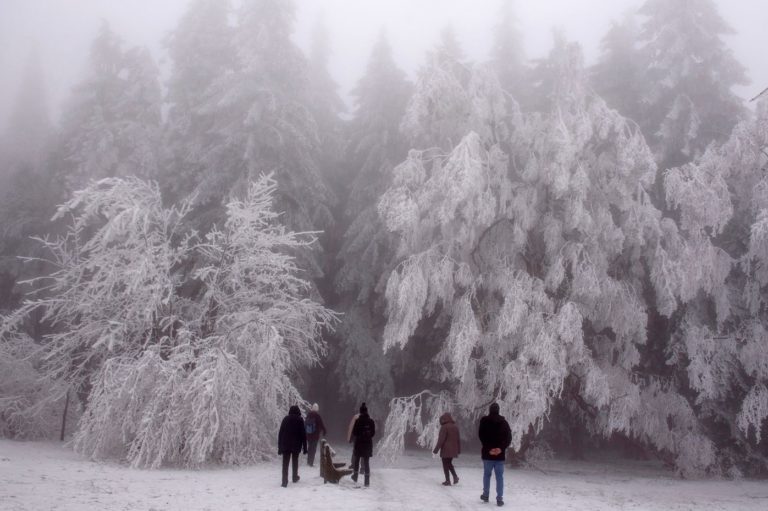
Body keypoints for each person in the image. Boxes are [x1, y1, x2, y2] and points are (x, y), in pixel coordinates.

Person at [478, 402, 512, 506]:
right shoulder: (504, 423)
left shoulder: (484, 421)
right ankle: (499, 498)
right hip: (499, 456)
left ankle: (486, 494)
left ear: (490, 410)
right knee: (499, 477)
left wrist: (489, 449)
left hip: (487, 455)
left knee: (487, 475)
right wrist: (500, 449)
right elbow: (508, 438)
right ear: (498, 410)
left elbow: (481, 436)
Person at [278, 405, 307, 488]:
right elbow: (303, 435)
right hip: (296, 445)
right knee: (295, 461)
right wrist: (305, 448)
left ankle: (284, 481)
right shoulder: (300, 420)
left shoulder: (285, 419)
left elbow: (280, 434)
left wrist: (279, 447)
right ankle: (294, 477)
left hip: (285, 445)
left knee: (285, 464)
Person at [351, 402, 375, 486]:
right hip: (368, 445)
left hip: (359, 444)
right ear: (367, 411)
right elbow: (373, 433)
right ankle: (367, 481)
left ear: (360, 411)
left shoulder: (358, 421)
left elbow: (354, 432)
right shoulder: (371, 421)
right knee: (366, 463)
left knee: (357, 461)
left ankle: (355, 477)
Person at [432, 412, 461, 486]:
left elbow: (441, 440)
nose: (441, 421)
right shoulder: (455, 427)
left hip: (446, 449)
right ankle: (455, 477)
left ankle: (448, 480)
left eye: (442, 419)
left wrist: (436, 449)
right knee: (449, 463)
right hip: (453, 449)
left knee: (445, 464)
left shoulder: (444, 427)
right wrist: (459, 449)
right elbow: (458, 439)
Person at [305, 403, 327, 467]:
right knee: (313, 449)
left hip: (308, 435)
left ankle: (308, 462)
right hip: (315, 435)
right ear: (317, 409)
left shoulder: (308, 415)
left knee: (309, 448)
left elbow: (305, 424)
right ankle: (311, 463)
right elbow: (321, 424)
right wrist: (324, 431)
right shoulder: (317, 416)